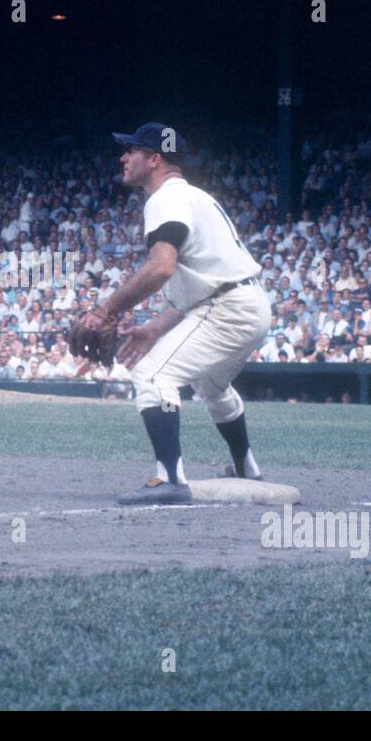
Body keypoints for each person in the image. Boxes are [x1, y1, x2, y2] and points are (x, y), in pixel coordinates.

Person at [82, 122, 270, 506]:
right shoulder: (193, 197)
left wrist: (105, 311)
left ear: (154, 160)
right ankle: (248, 468)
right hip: (246, 304)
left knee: (152, 373)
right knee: (212, 387)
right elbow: (196, 287)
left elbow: (160, 268)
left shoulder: (165, 199)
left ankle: (170, 479)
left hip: (228, 308)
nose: (123, 157)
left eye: (131, 151)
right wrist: (153, 328)